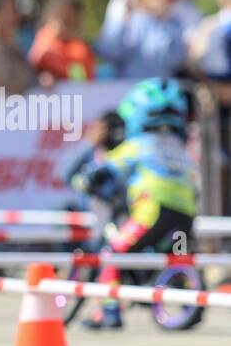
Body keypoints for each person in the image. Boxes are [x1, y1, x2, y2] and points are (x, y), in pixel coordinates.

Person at [69, 78, 199, 329]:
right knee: (178, 255)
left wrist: (85, 180)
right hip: (186, 212)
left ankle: (110, 311)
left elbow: (103, 170)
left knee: (112, 254)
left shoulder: (139, 145)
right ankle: (186, 300)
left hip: (152, 210)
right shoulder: (181, 149)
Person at [29, 0, 95, 84]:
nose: (62, 24)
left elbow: (80, 80)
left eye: (68, 21)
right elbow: (34, 65)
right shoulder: (43, 40)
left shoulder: (79, 48)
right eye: (59, 17)